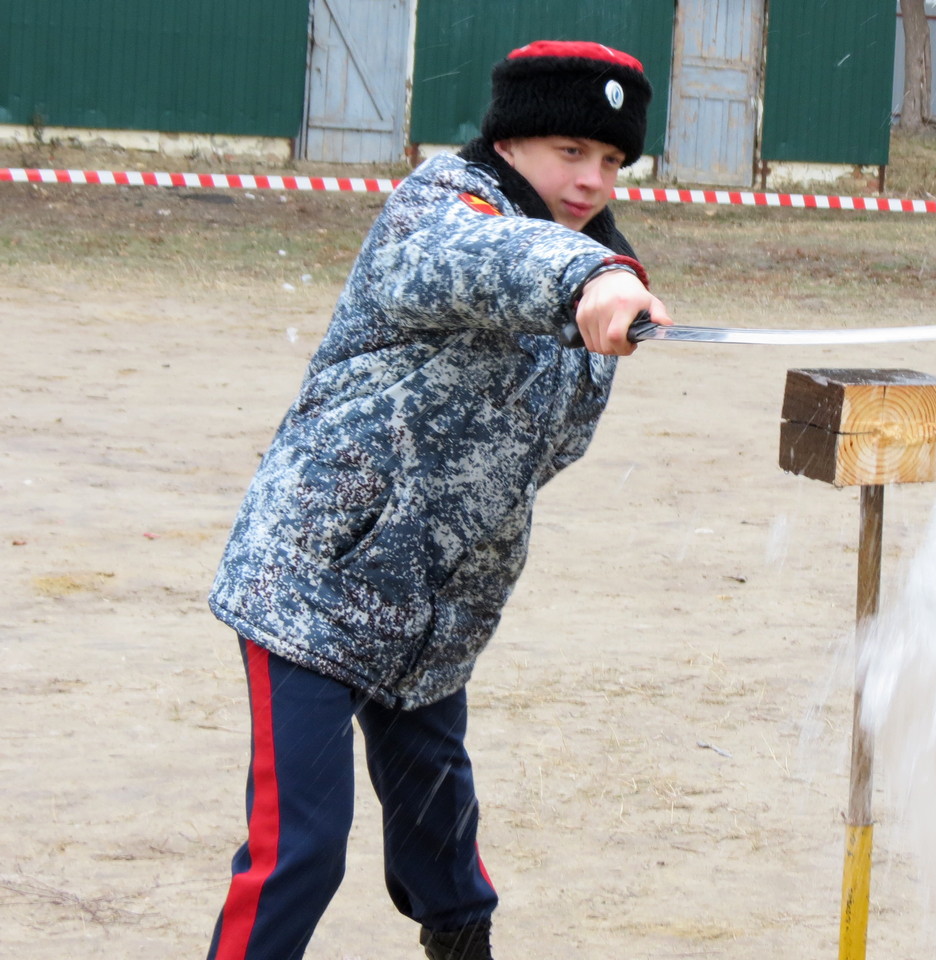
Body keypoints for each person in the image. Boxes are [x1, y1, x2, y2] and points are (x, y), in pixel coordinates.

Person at [203, 40, 669, 960]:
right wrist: (591, 277)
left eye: (613, 159)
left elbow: (546, 447)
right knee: (301, 848)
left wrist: (605, 277)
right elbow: (487, 256)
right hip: (318, 579)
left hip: (435, 604)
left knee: (442, 845)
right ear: (511, 141)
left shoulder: (604, 271)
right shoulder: (438, 211)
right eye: (571, 151)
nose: (592, 179)